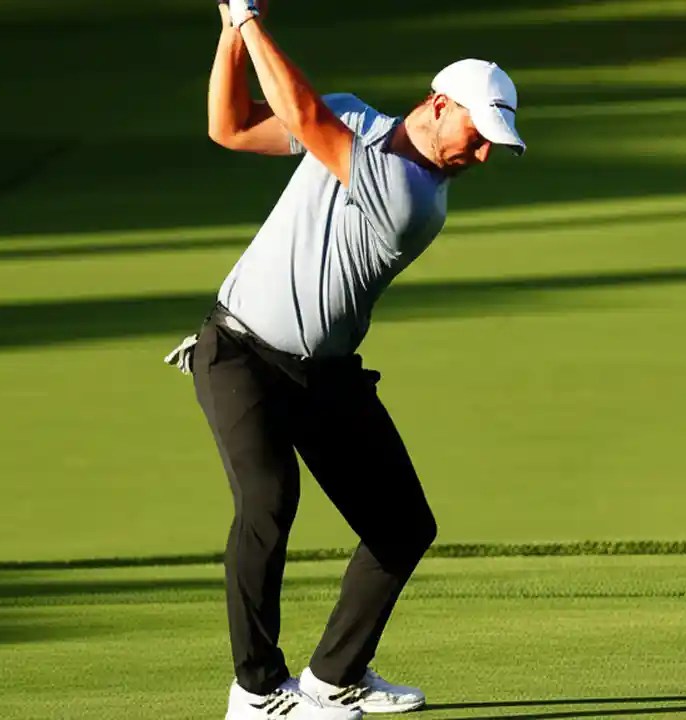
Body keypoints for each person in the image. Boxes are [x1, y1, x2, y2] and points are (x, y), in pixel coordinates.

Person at [165, 0, 525, 717]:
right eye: (478, 135)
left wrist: (248, 20)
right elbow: (229, 127)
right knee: (269, 501)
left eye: (493, 144)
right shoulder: (355, 119)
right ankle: (257, 691)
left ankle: (334, 676)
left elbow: (303, 117)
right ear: (440, 103)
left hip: (324, 373)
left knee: (402, 526)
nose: (482, 155)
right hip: (239, 352)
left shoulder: (415, 198)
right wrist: (230, 35)